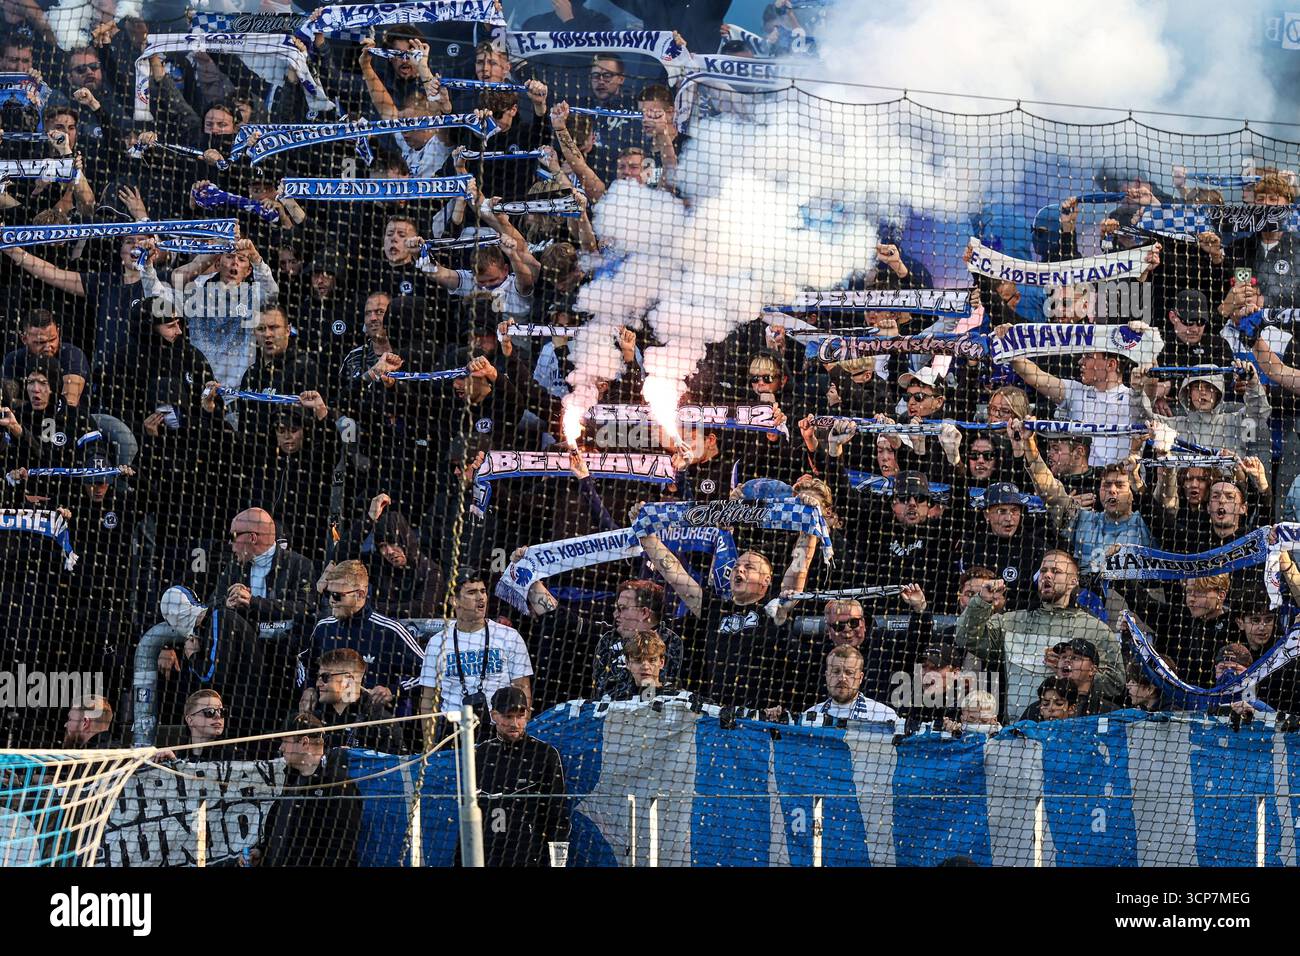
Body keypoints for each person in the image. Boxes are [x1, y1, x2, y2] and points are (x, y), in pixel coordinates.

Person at [956, 550, 1124, 722]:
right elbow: (965, 638)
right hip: (1018, 733)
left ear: (1074, 581)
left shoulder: (1096, 630)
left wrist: (1076, 674)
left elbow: (1116, 683)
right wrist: (981, 601)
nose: (1047, 576)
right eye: (1043, 571)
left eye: (1056, 571)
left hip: (1072, 734)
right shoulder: (1010, 622)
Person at [301, 560, 426, 710]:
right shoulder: (323, 627)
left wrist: (392, 690)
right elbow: (305, 664)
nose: (331, 601)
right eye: (328, 594)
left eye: (337, 595)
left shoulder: (389, 631)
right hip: (327, 720)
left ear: (360, 594)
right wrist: (308, 688)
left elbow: (430, 672)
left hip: (372, 722)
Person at [246, 714, 362, 867]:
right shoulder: (291, 781)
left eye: (284, 741)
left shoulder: (338, 785)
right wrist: (262, 851)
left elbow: (341, 848)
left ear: (304, 742)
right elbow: (281, 831)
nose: (281, 748)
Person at [474, 686, 570, 868]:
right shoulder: (480, 754)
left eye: (520, 716)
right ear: (494, 716)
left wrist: (558, 863)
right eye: (508, 716)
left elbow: (558, 817)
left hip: (529, 854)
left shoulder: (544, 754)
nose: (515, 723)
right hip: (487, 854)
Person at [417, 573, 533, 716]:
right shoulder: (437, 643)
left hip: (499, 726)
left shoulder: (509, 636)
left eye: (483, 591)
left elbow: (522, 688)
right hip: (454, 728)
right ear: (454, 601)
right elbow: (428, 699)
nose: (481, 597)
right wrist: (430, 739)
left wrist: (520, 729)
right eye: (472, 592)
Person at [311, 648, 405, 754]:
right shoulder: (315, 720)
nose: (317, 684)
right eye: (318, 677)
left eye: (325, 677)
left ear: (348, 679)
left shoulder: (383, 724)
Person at [800, 645, 900, 724]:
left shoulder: (884, 716)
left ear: (860, 678)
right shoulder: (808, 716)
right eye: (836, 671)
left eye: (849, 673)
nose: (842, 678)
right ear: (827, 676)